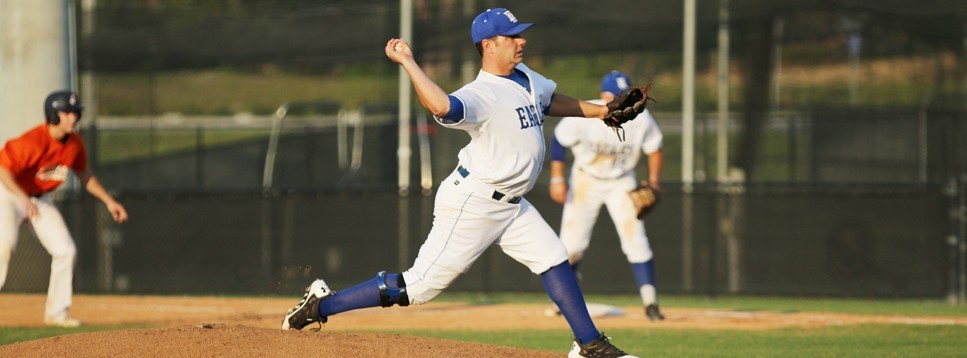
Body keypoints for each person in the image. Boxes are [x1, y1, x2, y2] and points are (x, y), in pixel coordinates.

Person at [282, 8, 637, 358]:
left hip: (512, 205)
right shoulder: (481, 94)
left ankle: (590, 344)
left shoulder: (526, 77)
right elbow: (442, 107)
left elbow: (548, 101)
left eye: (519, 33)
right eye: (511, 36)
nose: (521, 40)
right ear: (488, 45)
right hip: (475, 201)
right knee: (417, 287)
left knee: (554, 257)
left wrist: (602, 111)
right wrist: (408, 62)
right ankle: (322, 305)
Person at [0, 90, 129, 327]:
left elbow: (84, 174)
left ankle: (56, 313)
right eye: (68, 113)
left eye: (76, 113)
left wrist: (108, 201)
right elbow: (3, 170)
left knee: (66, 250)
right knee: (4, 247)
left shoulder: (74, 145)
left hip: (39, 199)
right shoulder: (32, 141)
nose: (73, 118)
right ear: (53, 115)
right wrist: (22, 198)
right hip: (9, 194)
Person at [548, 71, 666, 321]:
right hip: (585, 179)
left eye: (625, 96)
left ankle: (650, 303)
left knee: (636, 240)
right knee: (572, 244)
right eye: (617, 97)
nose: (623, 103)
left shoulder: (641, 119)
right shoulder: (585, 114)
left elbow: (655, 147)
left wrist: (654, 180)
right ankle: (564, 300)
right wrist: (557, 178)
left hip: (622, 181)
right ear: (604, 96)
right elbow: (559, 140)